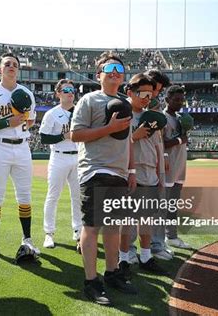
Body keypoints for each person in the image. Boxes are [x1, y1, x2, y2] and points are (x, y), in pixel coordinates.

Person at [71, 52, 138, 306]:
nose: (114, 71)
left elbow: (129, 140)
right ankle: (91, 281)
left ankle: (112, 273)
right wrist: (109, 129)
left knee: (113, 226)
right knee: (92, 225)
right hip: (95, 170)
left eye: (119, 68)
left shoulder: (125, 103)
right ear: (99, 75)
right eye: (109, 67)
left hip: (119, 173)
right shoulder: (89, 100)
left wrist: (131, 171)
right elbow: (75, 135)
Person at [0, 52, 39, 260]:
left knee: (25, 196)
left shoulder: (26, 93)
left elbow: (31, 121)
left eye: (15, 65)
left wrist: (22, 122)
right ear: (0, 69)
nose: (11, 67)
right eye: (7, 64)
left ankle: (27, 240)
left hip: (22, 147)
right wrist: (6, 123)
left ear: (18, 70)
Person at [120, 73, 168, 276]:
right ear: (130, 92)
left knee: (146, 219)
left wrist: (160, 176)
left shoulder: (153, 116)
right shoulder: (121, 113)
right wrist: (133, 136)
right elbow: (115, 145)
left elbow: (157, 146)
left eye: (150, 94)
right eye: (142, 93)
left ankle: (146, 256)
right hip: (130, 172)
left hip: (150, 173)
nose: (147, 98)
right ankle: (123, 258)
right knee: (127, 220)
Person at [39, 79, 82, 250]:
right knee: (53, 196)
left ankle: (78, 230)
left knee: (78, 196)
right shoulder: (52, 114)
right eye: (66, 90)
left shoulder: (80, 112)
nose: (70, 92)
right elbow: (44, 138)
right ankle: (49, 233)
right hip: (59, 156)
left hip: (78, 156)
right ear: (58, 93)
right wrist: (63, 136)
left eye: (72, 89)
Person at [144, 69, 176, 261]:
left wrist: (163, 153)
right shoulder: (137, 101)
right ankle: (132, 250)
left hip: (156, 153)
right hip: (140, 157)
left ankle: (157, 245)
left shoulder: (154, 103)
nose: (158, 93)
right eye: (158, 88)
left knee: (158, 203)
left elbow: (158, 135)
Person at [162, 85, 191, 250]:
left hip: (180, 166)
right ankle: (158, 241)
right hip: (167, 168)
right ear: (167, 100)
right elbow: (162, 143)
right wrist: (181, 139)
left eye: (182, 100)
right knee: (162, 207)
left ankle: (171, 237)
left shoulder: (181, 118)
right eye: (176, 100)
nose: (180, 103)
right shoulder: (162, 118)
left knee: (173, 206)